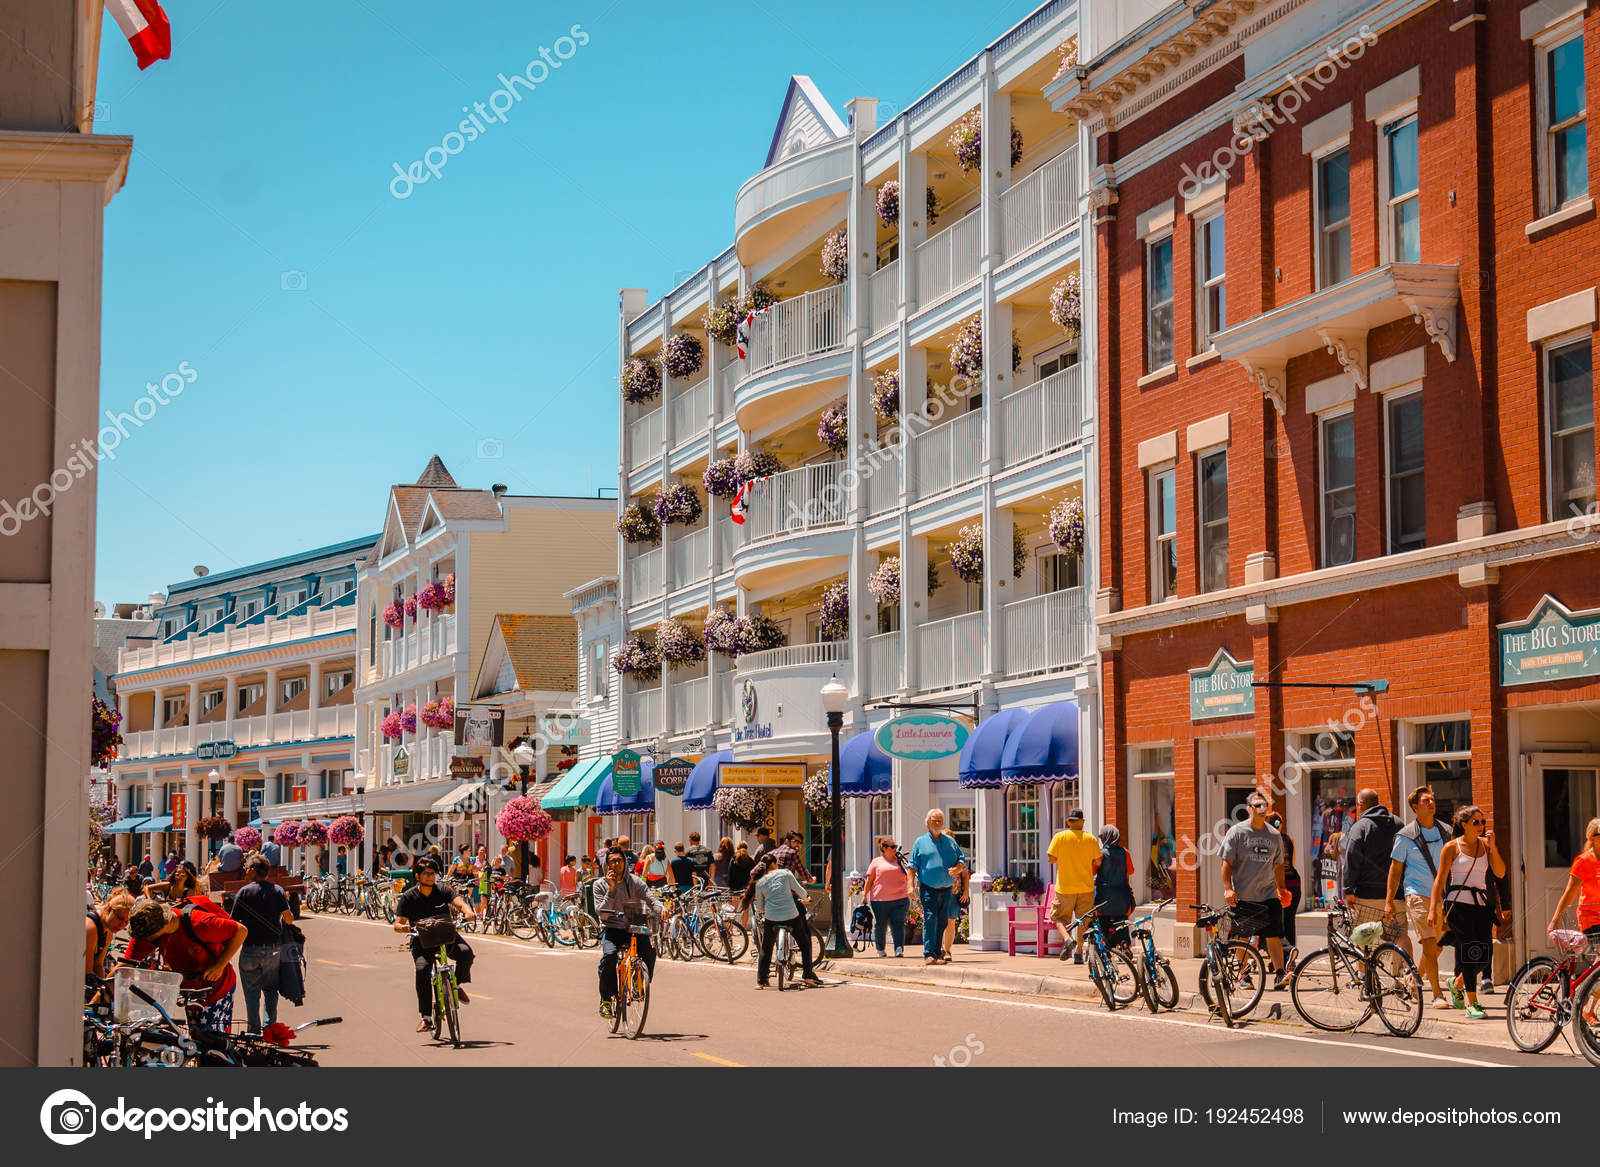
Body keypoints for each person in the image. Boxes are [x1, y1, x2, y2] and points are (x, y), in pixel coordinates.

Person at [120, 896, 247, 1034]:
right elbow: (125, 967)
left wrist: (220, 964)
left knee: (214, 1043)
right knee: (196, 1040)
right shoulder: (147, 928)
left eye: (148, 937)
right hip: (190, 994)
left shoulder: (199, 923)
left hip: (216, 990)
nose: (146, 941)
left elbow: (240, 931)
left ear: (161, 927)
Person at [1429, 805, 1505, 1019]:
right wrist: (1434, 909)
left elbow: (1500, 872)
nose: (1481, 826)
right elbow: (1440, 879)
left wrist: (1494, 847)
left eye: (1483, 822)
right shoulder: (1452, 847)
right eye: (1476, 822)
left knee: (1485, 954)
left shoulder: (1485, 846)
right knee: (1471, 952)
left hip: (1481, 905)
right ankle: (1473, 1003)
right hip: (1458, 905)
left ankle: (1457, 982)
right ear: (1464, 825)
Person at [1385, 785, 1451, 1005]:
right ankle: (1437, 994)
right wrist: (1389, 902)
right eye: (1426, 801)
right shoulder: (1406, 836)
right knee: (1429, 942)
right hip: (1417, 894)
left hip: (1442, 895)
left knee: (1439, 943)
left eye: (1432, 799)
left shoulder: (1446, 831)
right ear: (1415, 807)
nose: (1431, 803)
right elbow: (1395, 871)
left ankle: (1414, 980)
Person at [394, 856, 477, 1032]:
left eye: (433, 873)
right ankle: (426, 1017)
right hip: (421, 940)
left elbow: (460, 903)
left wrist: (469, 912)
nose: (431, 877)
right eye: (426, 874)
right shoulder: (409, 897)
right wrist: (402, 927)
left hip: (446, 936)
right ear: (417, 876)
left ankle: (458, 984)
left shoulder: (442, 891)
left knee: (466, 953)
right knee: (422, 969)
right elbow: (397, 923)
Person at [1220, 792, 1291, 990]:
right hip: (1244, 895)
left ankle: (1279, 974)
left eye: (1264, 805)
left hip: (1268, 894)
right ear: (1248, 808)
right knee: (1243, 936)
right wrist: (1228, 889)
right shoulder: (1237, 832)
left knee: (1274, 934)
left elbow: (1278, 866)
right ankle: (1243, 974)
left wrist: (1282, 889)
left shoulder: (1274, 835)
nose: (1261, 809)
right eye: (1257, 805)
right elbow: (1226, 863)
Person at [593, 846, 663, 1017]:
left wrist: (661, 909)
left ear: (625, 862)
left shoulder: (635, 882)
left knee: (649, 950)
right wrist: (611, 889)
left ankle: (639, 983)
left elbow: (651, 898)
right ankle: (607, 1000)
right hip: (611, 927)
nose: (616, 864)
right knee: (609, 957)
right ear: (606, 864)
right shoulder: (599, 885)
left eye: (619, 860)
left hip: (634, 925)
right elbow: (601, 912)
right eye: (612, 861)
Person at [230, 853, 293, 1032]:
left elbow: (233, 922)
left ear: (253, 870)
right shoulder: (278, 890)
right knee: (271, 990)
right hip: (273, 949)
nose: (245, 871)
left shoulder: (244, 892)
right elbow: (288, 919)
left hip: (250, 949)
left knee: (252, 993)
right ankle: (269, 1028)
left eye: (247, 868)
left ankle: (254, 1031)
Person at [742, 855, 823, 989]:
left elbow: (761, 907)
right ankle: (808, 975)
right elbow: (799, 890)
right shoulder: (785, 873)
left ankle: (761, 981)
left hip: (771, 918)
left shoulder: (760, 882)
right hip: (791, 915)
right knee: (804, 943)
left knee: (766, 948)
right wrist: (806, 897)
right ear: (774, 863)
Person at [909, 809, 966, 966]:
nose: (937, 823)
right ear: (927, 822)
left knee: (942, 922)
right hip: (928, 889)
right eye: (934, 820)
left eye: (940, 820)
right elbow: (912, 867)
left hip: (947, 890)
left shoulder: (950, 841)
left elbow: (962, 859)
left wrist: (958, 868)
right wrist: (910, 886)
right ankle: (929, 953)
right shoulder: (920, 842)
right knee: (930, 918)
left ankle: (936, 953)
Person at [1342, 789, 1402, 937]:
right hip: (1396, 896)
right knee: (1400, 937)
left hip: (1368, 898)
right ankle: (1405, 961)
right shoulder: (1399, 824)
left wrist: (1348, 890)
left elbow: (1351, 859)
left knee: (1364, 944)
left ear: (1361, 805)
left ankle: (1366, 961)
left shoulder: (1360, 827)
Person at [1046, 807, 1102, 963]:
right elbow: (1098, 861)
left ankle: (1067, 939)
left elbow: (1051, 859)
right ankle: (1078, 953)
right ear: (1083, 822)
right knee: (1084, 921)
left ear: (1068, 821)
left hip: (1065, 888)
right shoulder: (1090, 839)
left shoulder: (1060, 837)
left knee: (1058, 917)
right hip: (1086, 887)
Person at [1548, 816, 1600, 941]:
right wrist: (1555, 920)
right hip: (1592, 920)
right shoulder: (1583, 862)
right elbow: (1569, 893)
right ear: (1592, 838)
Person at [862, 838, 910, 957]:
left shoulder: (900, 861)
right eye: (892, 847)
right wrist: (864, 895)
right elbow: (869, 880)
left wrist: (911, 889)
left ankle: (899, 948)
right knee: (880, 924)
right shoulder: (876, 862)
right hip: (880, 900)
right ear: (884, 848)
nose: (895, 849)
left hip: (900, 899)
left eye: (895, 846)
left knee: (898, 923)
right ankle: (880, 949)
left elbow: (910, 876)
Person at [1266, 811, 1301, 964]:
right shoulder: (1289, 839)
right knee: (1289, 921)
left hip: (1278, 887)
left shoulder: (1268, 841)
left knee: (1275, 924)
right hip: (1294, 884)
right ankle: (1290, 958)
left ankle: (1280, 958)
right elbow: (1291, 863)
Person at [1091, 824, 1136, 944]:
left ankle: (1108, 948)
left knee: (1104, 923)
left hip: (1103, 898)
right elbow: (1131, 871)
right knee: (1122, 922)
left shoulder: (1100, 854)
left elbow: (1092, 871)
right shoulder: (1125, 852)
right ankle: (1124, 945)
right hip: (1122, 896)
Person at [85, 889, 135, 990]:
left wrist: (104, 991)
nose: (122, 925)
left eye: (126, 922)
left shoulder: (109, 932)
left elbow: (98, 965)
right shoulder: (90, 928)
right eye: (120, 918)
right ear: (108, 909)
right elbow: (87, 973)